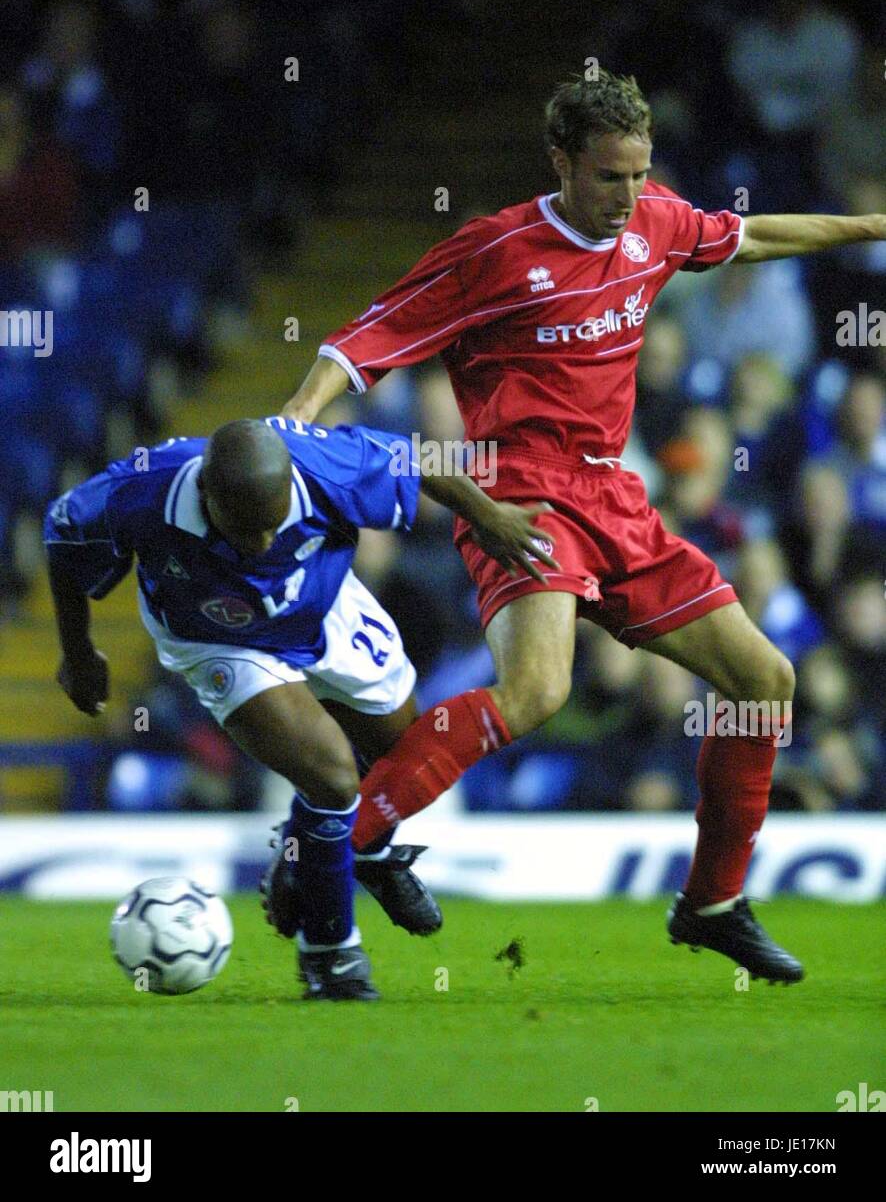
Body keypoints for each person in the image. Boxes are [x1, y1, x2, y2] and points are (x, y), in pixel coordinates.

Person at [282, 70, 886, 983]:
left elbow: (753, 233)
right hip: (521, 496)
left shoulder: (655, 223)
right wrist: (297, 417)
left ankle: (713, 902)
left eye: (640, 176)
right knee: (537, 693)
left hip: (618, 500)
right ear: (562, 163)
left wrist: (873, 227)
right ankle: (340, 848)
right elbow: (367, 336)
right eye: (609, 177)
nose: (629, 198)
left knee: (765, 676)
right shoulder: (494, 248)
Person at [45, 417, 554, 1001]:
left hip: (324, 600)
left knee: (404, 749)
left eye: (273, 523)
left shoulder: (324, 462)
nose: (262, 542)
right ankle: (330, 953)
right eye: (246, 529)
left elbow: (417, 459)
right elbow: (63, 531)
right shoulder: (143, 489)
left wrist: (489, 515)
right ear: (207, 496)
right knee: (334, 778)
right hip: (218, 638)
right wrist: (78, 651)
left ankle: (317, 853)